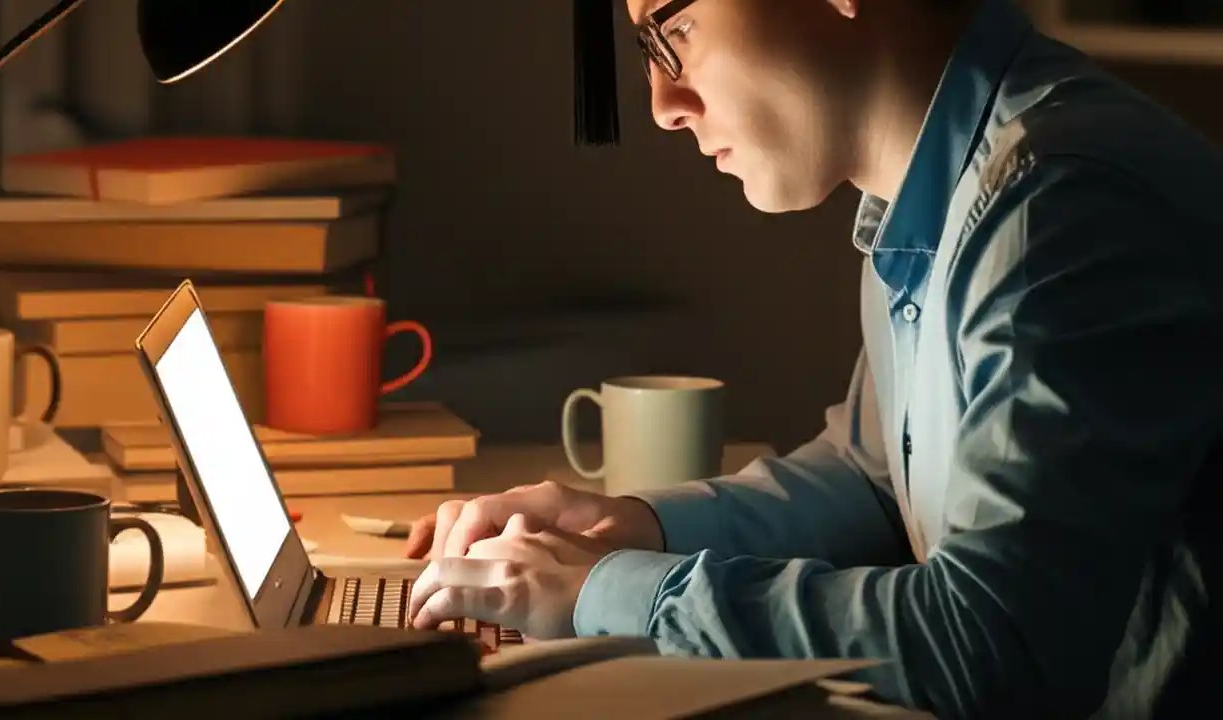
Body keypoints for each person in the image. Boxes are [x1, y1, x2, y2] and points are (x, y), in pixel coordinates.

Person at [404, 1, 1222, 717]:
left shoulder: (1056, 208)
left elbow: (991, 647)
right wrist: (630, 524)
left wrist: (608, 593)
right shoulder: (935, 195)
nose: (662, 105)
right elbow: (870, 478)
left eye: (674, 30)